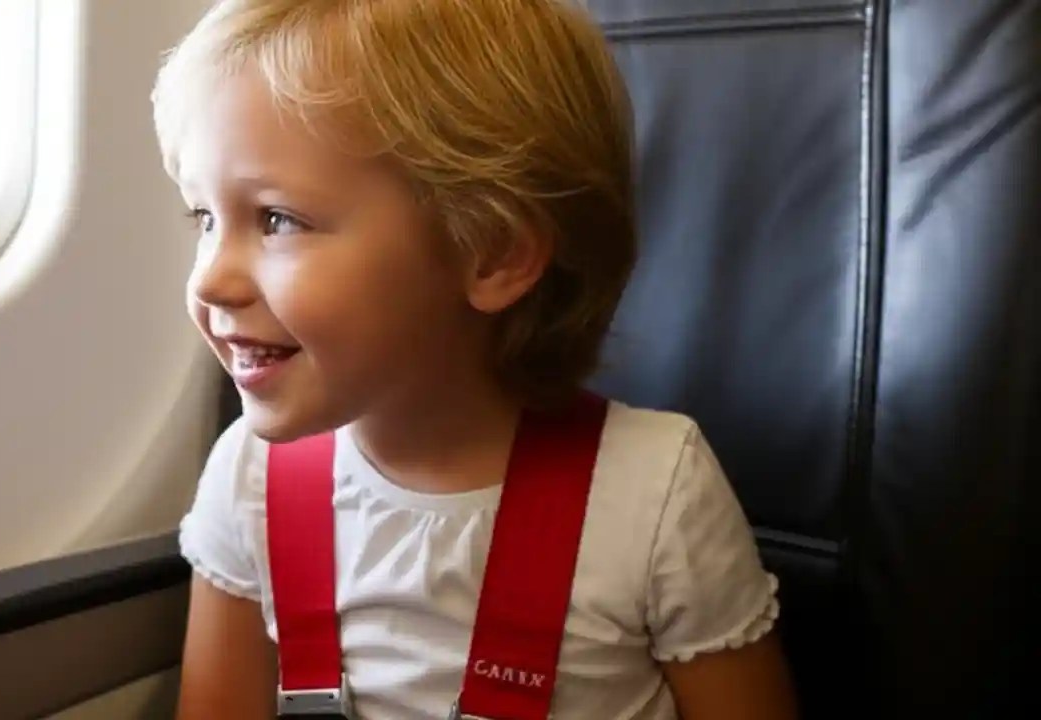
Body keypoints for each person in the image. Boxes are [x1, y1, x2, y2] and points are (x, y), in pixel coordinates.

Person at [150, 1, 798, 718]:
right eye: (205, 218)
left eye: (278, 219)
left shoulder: (653, 493)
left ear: (494, 252)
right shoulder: (250, 477)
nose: (210, 278)